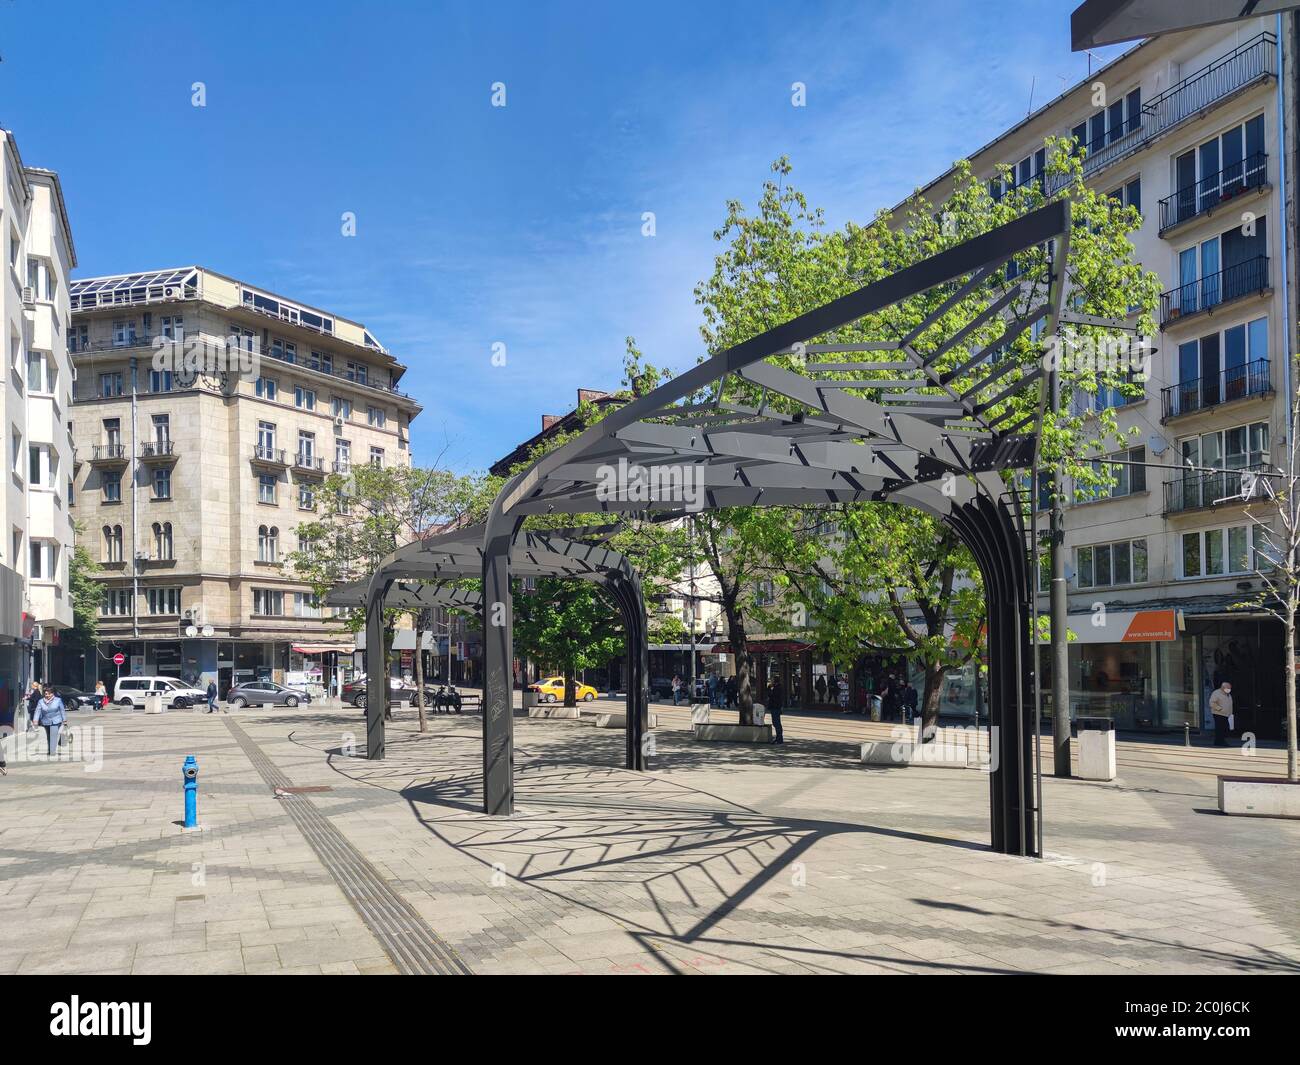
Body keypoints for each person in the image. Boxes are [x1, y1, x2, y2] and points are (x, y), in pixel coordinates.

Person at [33, 685, 67, 757]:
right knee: (49, 736)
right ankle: (50, 750)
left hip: (56, 720)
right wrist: (35, 720)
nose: (47, 695)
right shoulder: (41, 701)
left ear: (52, 693)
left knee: (53, 735)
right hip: (45, 721)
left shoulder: (58, 700)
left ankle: (52, 751)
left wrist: (64, 720)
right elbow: (37, 711)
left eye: (49, 693)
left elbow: (62, 710)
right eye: (46, 694)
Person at [1209, 680, 1233, 747]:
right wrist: (1220, 709)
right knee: (1220, 728)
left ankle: (1218, 741)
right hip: (1218, 713)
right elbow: (1212, 703)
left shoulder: (1228, 695)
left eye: (1230, 688)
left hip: (1226, 714)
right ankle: (1220, 741)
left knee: (1224, 728)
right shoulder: (1216, 693)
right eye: (1227, 688)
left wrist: (1230, 713)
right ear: (1223, 687)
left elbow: (1229, 704)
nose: (1229, 689)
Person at [766, 678, 784, 744]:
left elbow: (771, 696)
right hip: (776, 707)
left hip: (775, 707)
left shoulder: (777, 688)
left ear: (775, 682)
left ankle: (779, 738)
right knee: (776, 723)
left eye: (772, 681)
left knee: (776, 723)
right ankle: (779, 738)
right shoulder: (778, 688)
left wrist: (769, 688)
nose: (771, 682)